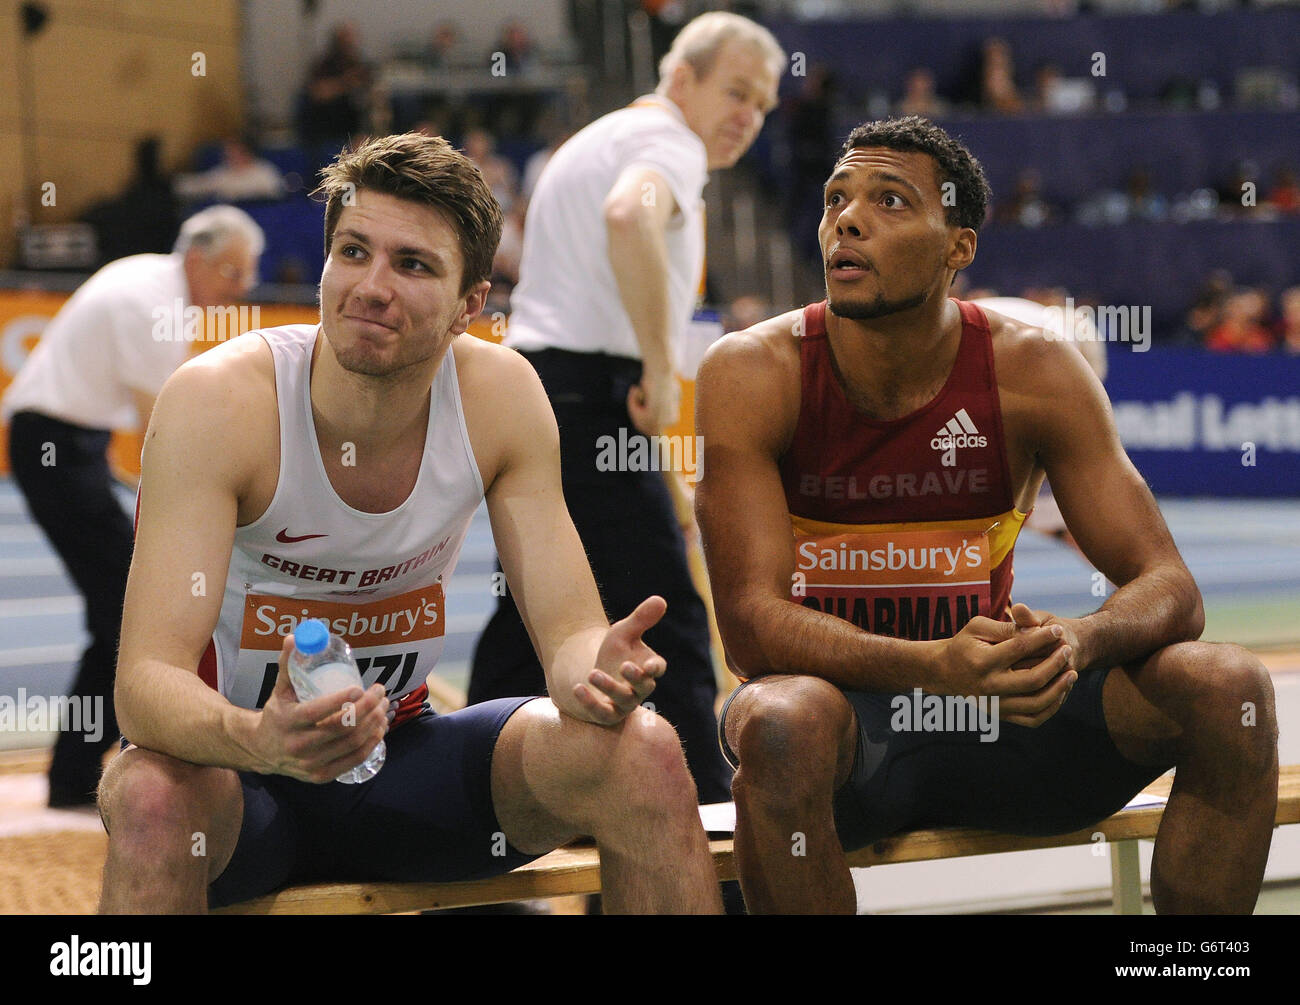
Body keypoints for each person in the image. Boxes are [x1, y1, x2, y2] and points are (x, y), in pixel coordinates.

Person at [94, 132, 722, 914]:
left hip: (401, 769)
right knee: (147, 791)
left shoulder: (502, 397)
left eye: (412, 264)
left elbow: (567, 636)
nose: (371, 286)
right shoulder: (220, 402)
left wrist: (594, 674)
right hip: (236, 780)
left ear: (471, 304)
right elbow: (143, 689)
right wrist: (262, 739)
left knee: (645, 751)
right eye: (353, 252)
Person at [693, 116, 1278, 914]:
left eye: (889, 200)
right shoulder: (753, 372)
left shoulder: (1033, 370)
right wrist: (933, 665)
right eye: (836, 199)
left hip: (1005, 718)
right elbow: (752, 629)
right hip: (848, 743)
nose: (847, 219)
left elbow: (1171, 586)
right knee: (778, 720)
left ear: (957, 247)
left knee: (1229, 686)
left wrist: (1077, 639)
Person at [468, 11, 785, 812]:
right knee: (668, 625)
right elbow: (629, 214)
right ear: (682, 79)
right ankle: (707, 839)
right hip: (594, 399)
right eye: (737, 92)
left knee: (529, 623)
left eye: (764, 105)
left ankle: (475, 834)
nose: (749, 115)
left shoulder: (597, 138)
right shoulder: (666, 144)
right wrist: (658, 364)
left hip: (541, 391)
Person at [3, 205, 264, 808]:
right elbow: (166, 432)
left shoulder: (153, 285)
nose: (242, 288)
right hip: (55, 444)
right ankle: (89, 767)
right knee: (127, 609)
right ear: (198, 258)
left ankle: (92, 763)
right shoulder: (153, 303)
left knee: (123, 608)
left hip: (70, 443)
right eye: (234, 272)